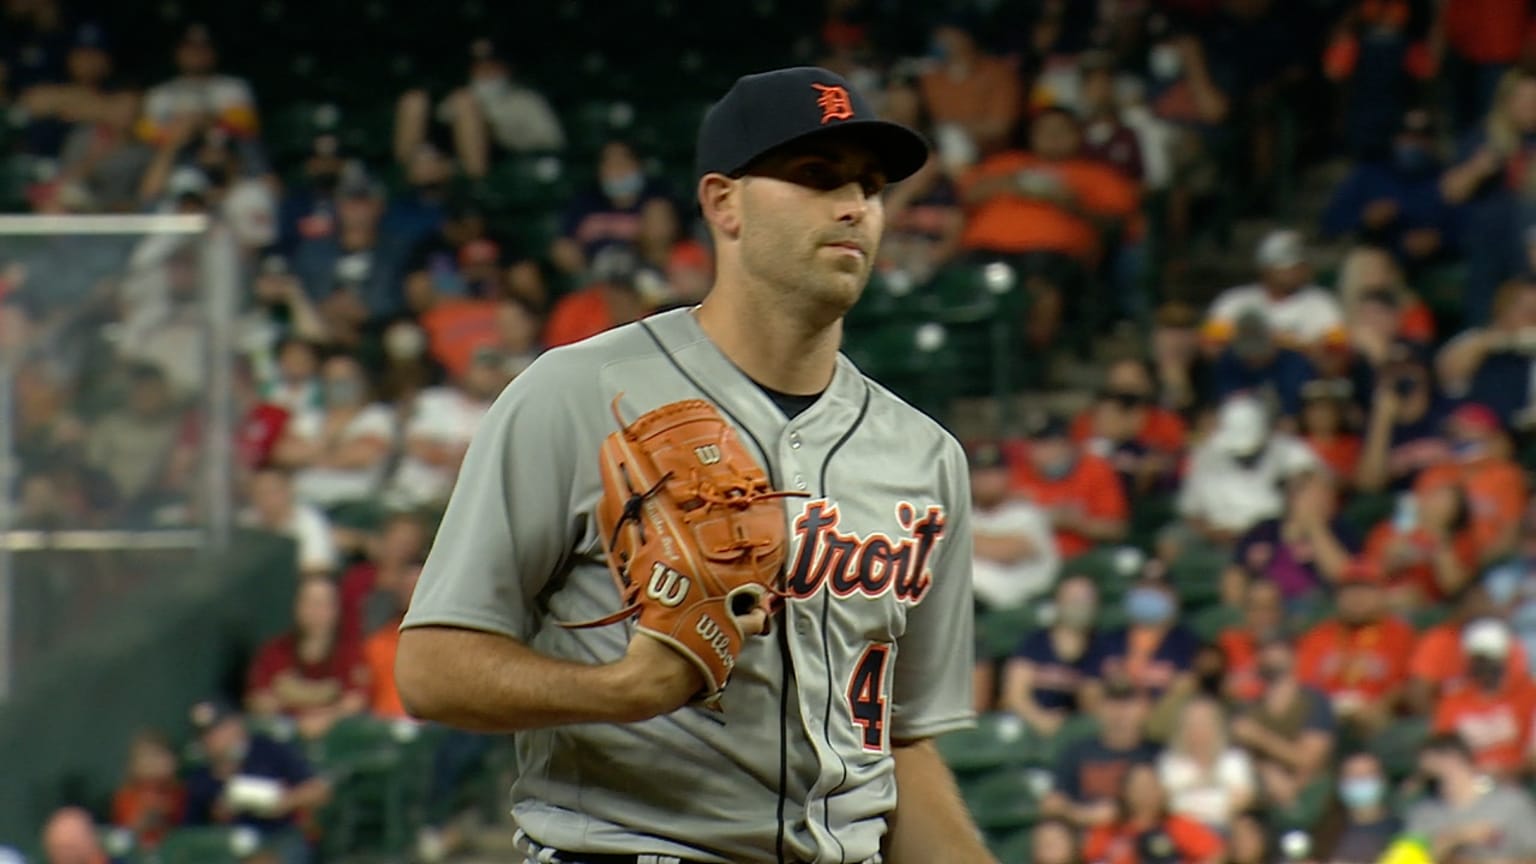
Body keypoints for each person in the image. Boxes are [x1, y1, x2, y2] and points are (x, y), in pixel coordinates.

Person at [395, 66, 994, 863]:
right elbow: (432, 668)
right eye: (817, 178)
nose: (854, 206)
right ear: (723, 203)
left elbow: (901, 745)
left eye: (871, 185)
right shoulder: (578, 394)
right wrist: (621, 691)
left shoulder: (926, 457)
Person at [183, 700, 331, 864]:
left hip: (278, 835)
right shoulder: (200, 777)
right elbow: (191, 833)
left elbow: (318, 790)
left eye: (221, 729)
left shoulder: (267, 749)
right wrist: (219, 813)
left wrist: (285, 801)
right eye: (208, 735)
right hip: (231, 845)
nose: (216, 739)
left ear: (237, 725)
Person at [1000, 575, 1107, 737]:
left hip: (1075, 733)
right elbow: (1015, 694)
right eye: (1073, 598)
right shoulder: (1035, 642)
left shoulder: (1099, 647)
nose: (1079, 605)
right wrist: (1041, 720)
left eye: (1085, 599)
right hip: (1029, 725)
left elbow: (1094, 703)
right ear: (1058, 601)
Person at [1404, 733, 1536, 863]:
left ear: (1456, 758)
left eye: (1439, 764)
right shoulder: (1424, 813)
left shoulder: (1511, 802)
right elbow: (1411, 858)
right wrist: (1457, 837)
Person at [1081, 762, 1225, 864]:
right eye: (1138, 786)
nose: (1144, 792)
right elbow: (1090, 858)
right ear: (1125, 792)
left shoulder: (1179, 826)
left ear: (1160, 791)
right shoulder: (1108, 830)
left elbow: (1216, 854)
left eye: (1149, 786)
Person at [1155, 696, 1256, 830]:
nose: (1198, 730)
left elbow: (1242, 801)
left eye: (1204, 723)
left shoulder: (1234, 760)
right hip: (1183, 832)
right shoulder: (1169, 762)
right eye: (1192, 724)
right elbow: (1167, 803)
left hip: (1226, 829)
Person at [1310, 752, 1401, 864]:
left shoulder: (1401, 829)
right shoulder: (1323, 830)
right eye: (1352, 775)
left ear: (1383, 780)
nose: (1360, 780)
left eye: (1368, 774)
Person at [110, 729, 185, 848]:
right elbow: (121, 836)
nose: (151, 763)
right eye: (145, 757)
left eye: (158, 755)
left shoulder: (180, 793)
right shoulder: (126, 796)